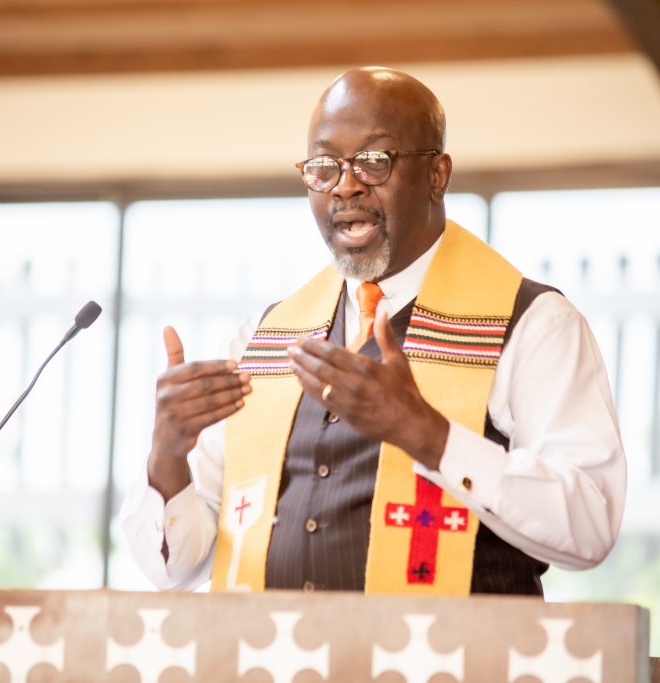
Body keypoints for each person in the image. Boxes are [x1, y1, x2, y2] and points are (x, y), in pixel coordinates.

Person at [120, 66, 625, 596]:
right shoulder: (263, 339)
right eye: (323, 166)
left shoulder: (532, 325)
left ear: (437, 175)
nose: (345, 184)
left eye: (373, 161)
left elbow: (590, 526)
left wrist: (426, 434)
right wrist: (167, 454)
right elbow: (174, 569)